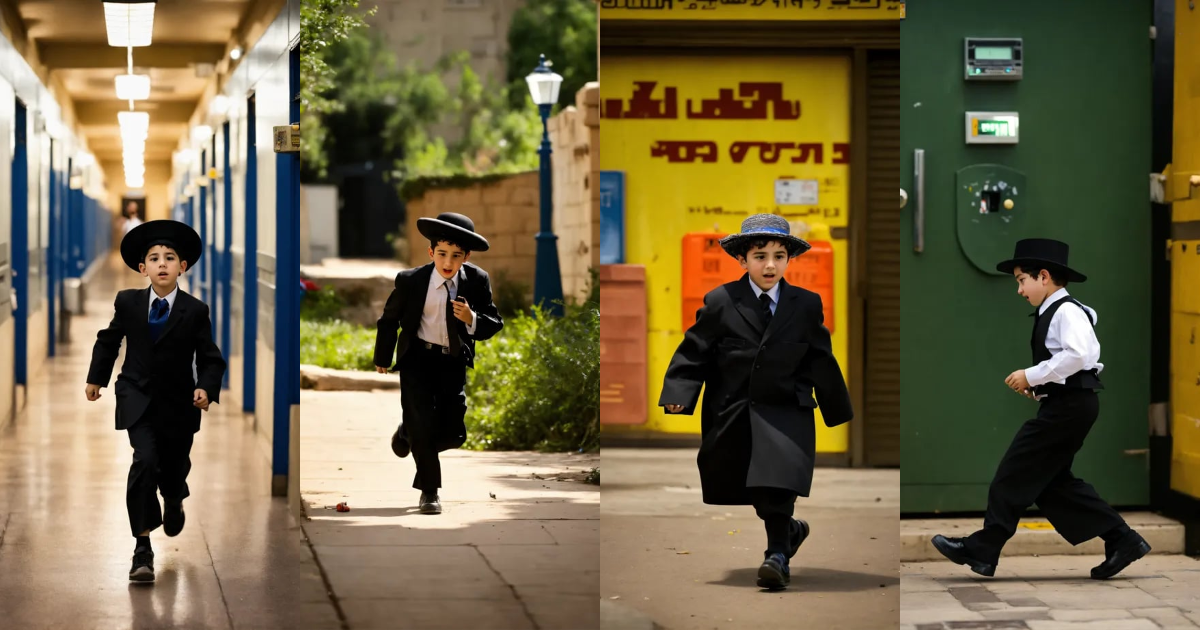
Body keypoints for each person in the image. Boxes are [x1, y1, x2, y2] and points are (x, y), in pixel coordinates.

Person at [931, 238, 1149, 579]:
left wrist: (1031, 375)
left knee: (1013, 472)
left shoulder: (1066, 311)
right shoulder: (1054, 311)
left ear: (1043, 276)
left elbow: (1080, 355)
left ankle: (982, 550)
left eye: (1021, 280)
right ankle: (1123, 539)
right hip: (1067, 405)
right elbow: (1070, 362)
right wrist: (1040, 388)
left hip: (1070, 408)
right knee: (1050, 484)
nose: (1019, 289)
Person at [659, 214, 853, 589]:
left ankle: (777, 554)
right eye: (760, 255)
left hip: (787, 410)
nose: (770, 264)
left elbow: (819, 357)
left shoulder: (806, 304)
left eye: (779, 256)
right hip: (734, 410)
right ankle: (791, 531)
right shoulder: (721, 301)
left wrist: (835, 406)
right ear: (742, 260)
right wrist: (679, 392)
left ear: (788, 260)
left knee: (778, 483)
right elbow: (695, 349)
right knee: (749, 485)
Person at [85, 220, 227, 583]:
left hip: (179, 403)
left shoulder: (195, 310)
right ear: (142, 267)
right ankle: (142, 548)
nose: (161, 264)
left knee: (174, 464)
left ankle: (175, 495)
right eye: (154, 258)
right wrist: (96, 378)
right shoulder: (129, 302)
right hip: (137, 396)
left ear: (183, 267)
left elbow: (210, 358)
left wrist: (206, 388)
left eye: (169, 258)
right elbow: (109, 339)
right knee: (145, 461)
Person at [373, 212, 503, 515]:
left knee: (453, 432)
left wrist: (471, 319)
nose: (448, 262)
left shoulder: (477, 281)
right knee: (422, 423)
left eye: (456, 256)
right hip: (417, 359)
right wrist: (383, 356)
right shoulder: (411, 281)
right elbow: (389, 319)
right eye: (442, 254)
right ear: (431, 252)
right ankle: (429, 492)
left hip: (452, 361)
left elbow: (494, 322)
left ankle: (407, 433)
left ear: (466, 257)